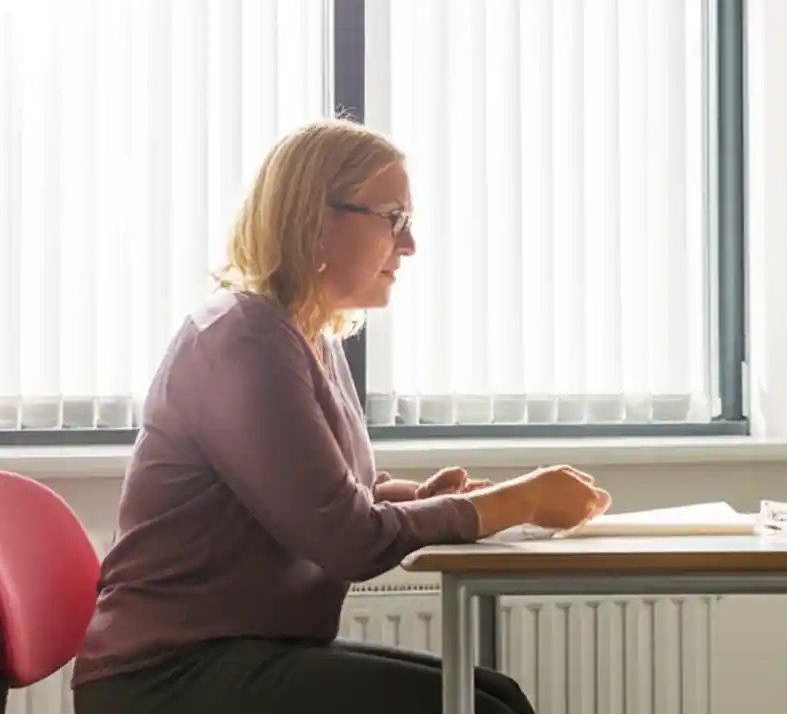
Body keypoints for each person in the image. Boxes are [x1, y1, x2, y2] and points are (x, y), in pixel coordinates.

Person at [72, 119, 612, 714]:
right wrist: (519, 502)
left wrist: (410, 496)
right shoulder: (243, 339)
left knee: (495, 695)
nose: (409, 245)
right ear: (315, 220)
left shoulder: (308, 335)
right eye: (394, 219)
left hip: (239, 651)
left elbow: (329, 494)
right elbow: (347, 538)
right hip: (166, 676)